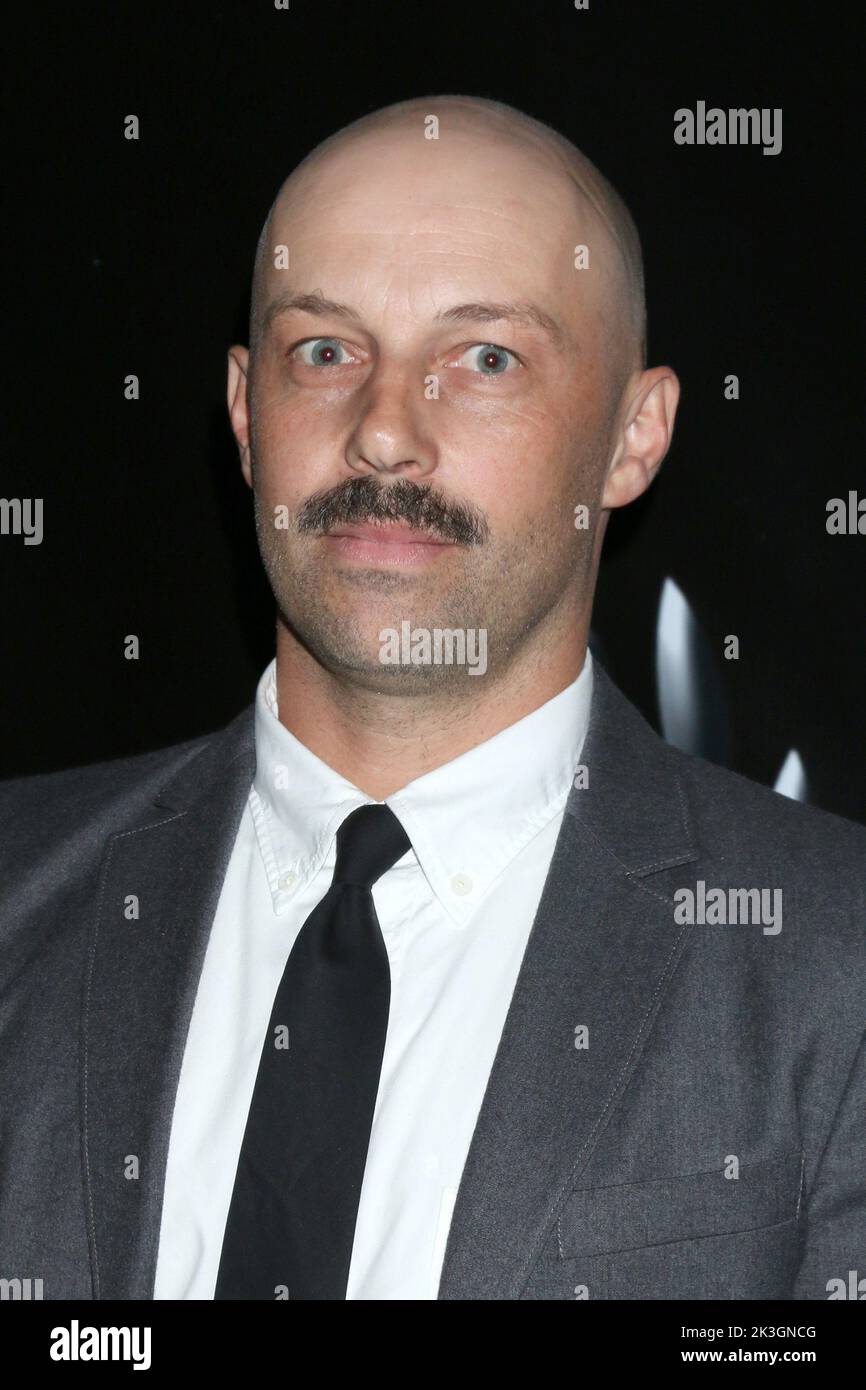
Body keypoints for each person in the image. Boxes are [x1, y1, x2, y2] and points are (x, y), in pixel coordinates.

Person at [0, 94, 863, 1302]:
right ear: (246, 414)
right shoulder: (18, 899)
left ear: (633, 434)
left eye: (485, 358)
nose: (385, 434)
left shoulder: (833, 964)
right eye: (325, 351)